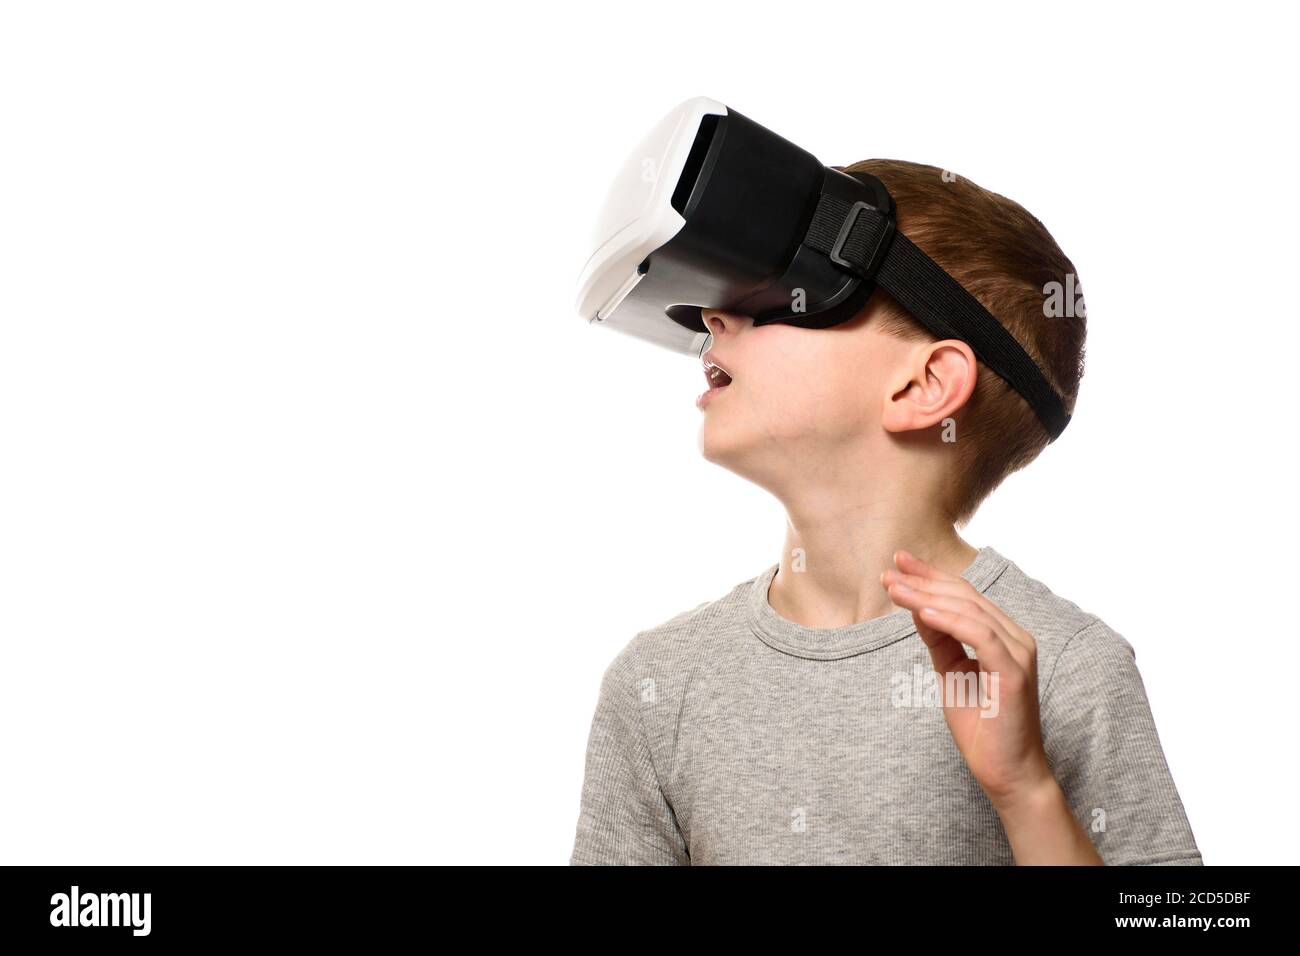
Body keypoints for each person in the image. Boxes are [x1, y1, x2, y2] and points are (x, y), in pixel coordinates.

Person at [568, 159, 1202, 866]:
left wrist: (1026, 791)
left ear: (924, 385)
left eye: (790, 290)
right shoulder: (658, 685)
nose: (715, 315)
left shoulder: (1069, 670)